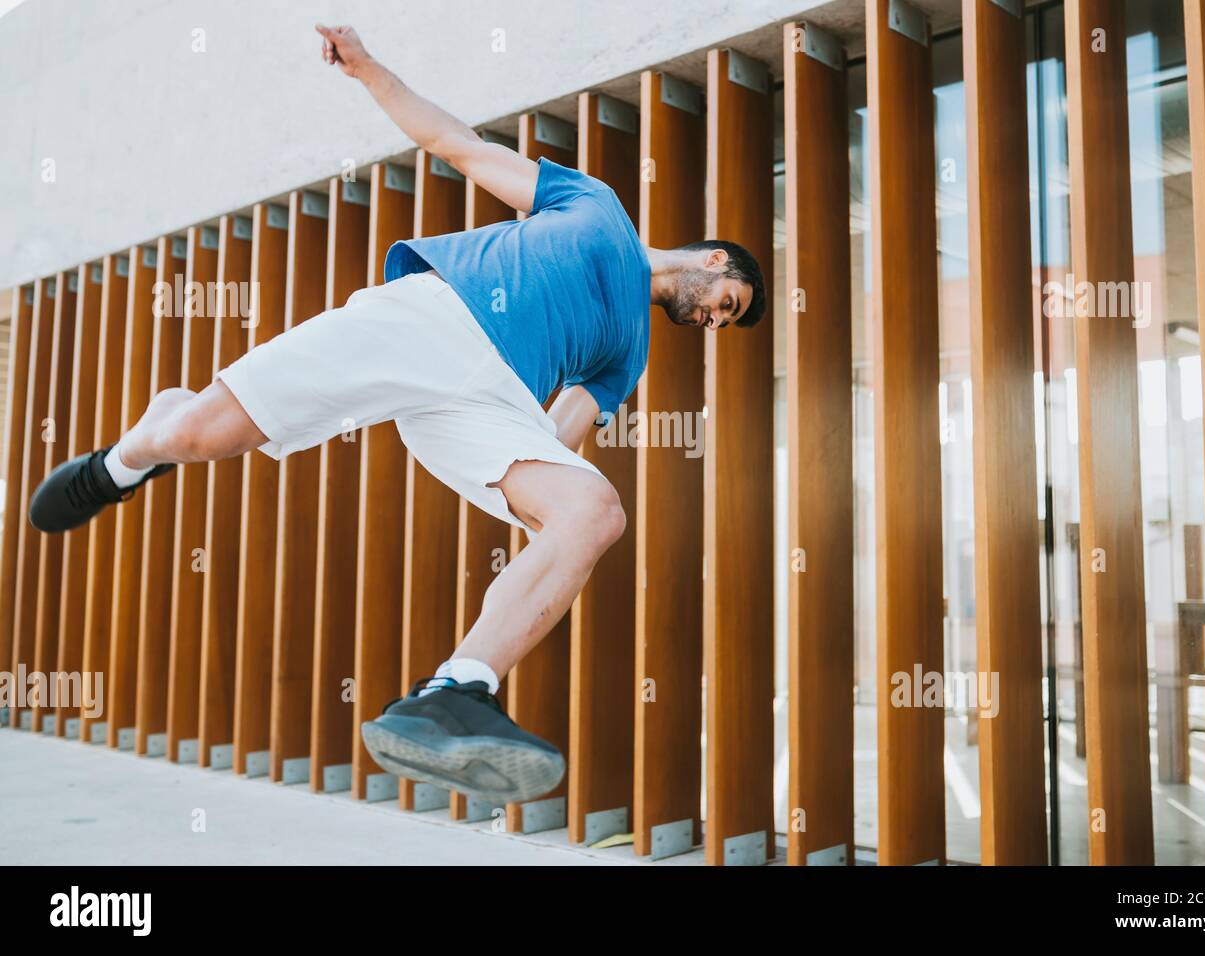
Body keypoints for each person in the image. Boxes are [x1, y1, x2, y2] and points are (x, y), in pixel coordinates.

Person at [28, 23, 766, 805]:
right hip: (432, 319)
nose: (714, 321)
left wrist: (549, 526)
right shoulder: (598, 207)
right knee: (197, 435)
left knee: (594, 511)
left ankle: (456, 690)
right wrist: (372, 71)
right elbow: (460, 147)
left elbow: (559, 438)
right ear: (714, 260)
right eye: (727, 305)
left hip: (490, 401)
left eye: (724, 322)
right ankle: (128, 459)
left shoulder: (629, 356)